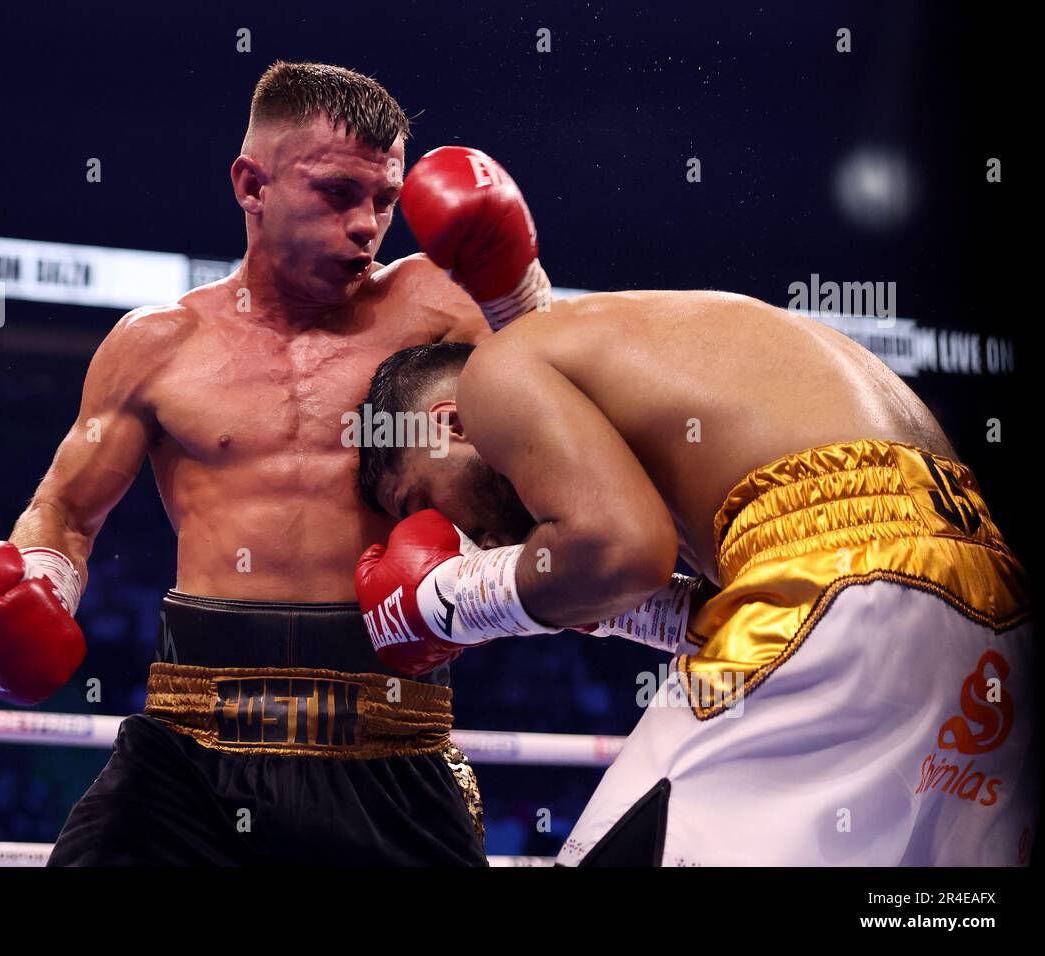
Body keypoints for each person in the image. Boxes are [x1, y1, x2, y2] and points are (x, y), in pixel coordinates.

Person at [0, 63, 551, 864]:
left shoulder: (436, 307)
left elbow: (583, 408)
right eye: (338, 193)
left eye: (384, 201)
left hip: (390, 732)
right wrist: (38, 581)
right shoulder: (157, 345)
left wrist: (521, 296)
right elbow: (64, 510)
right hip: (193, 743)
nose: (367, 225)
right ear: (250, 184)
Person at [352, 292, 1035, 865]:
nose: (454, 539)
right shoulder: (656, 387)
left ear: (449, 426)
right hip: (992, 614)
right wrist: (608, 606)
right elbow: (772, 583)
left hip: (844, 589)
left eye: (415, 504)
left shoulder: (494, 373)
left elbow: (627, 553)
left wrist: (455, 599)